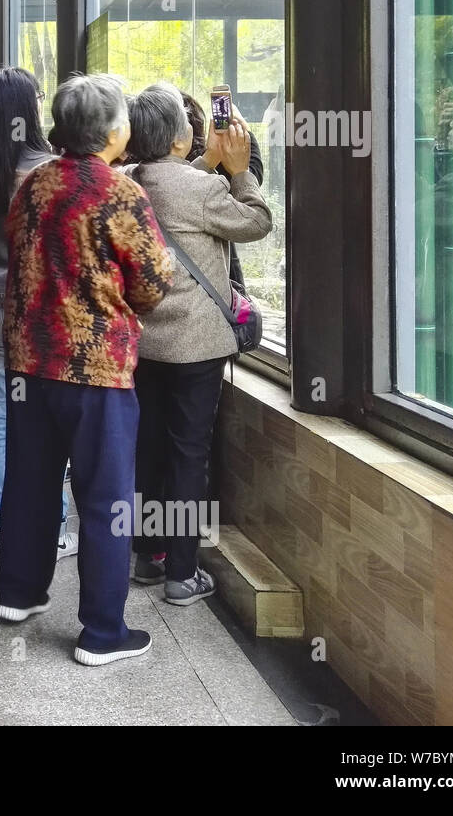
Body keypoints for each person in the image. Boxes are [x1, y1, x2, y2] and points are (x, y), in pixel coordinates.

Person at [0, 73, 174, 667]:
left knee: (30, 479)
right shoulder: (120, 193)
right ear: (112, 130)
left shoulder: (33, 184)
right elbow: (151, 283)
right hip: (96, 368)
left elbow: (18, 249)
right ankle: (102, 631)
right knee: (105, 498)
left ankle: (18, 593)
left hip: (30, 360)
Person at [126, 83, 271, 604]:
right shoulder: (201, 188)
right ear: (174, 136)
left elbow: (177, 200)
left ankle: (147, 554)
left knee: (148, 449)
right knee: (190, 454)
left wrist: (208, 163)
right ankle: (182, 573)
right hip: (195, 348)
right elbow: (256, 223)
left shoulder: (128, 181)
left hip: (143, 346)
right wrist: (239, 171)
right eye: (186, 124)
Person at [0, 68, 75, 558]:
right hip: (47, 317)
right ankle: (50, 525)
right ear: (29, 108)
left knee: (0, 417)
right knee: (48, 423)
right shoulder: (49, 171)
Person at [180, 92, 263, 288]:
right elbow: (253, 211)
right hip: (216, 288)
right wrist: (244, 137)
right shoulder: (208, 172)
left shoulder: (135, 172)